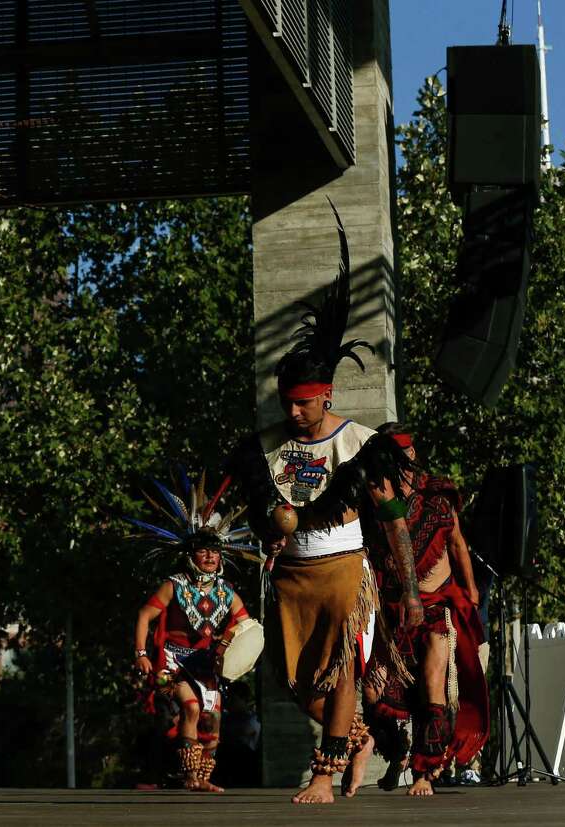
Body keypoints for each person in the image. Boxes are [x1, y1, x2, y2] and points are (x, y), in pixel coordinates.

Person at [225, 206, 420, 804]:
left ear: (326, 395)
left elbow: (391, 518)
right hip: (290, 576)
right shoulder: (267, 446)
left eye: (304, 404)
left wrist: (408, 588)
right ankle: (357, 737)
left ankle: (323, 775)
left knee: (340, 672)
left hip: (343, 569)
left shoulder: (360, 443)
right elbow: (253, 506)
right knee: (292, 681)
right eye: (287, 402)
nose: (293, 413)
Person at [363, 424, 489, 796]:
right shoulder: (372, 498)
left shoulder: (437, 497)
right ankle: (395, 750)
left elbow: (458, 544)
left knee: (433, 684)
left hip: (437, 607)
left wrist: (470, 591)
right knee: (373, 693)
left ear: (412, 455)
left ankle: (424, 773)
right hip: (392, 611)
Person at [128, 473, 259, 793]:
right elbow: (145, 615)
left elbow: (246, 625)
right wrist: (141, 653)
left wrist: (235, 649)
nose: (211, 556)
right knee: (190, 708)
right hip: (172, 660)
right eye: (204, 550)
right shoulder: (174, 585)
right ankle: (187, 776)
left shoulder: (227, 592)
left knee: (212, 723)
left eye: (215, 551)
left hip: (206, 663)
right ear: (191, 554)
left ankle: (201, 777)